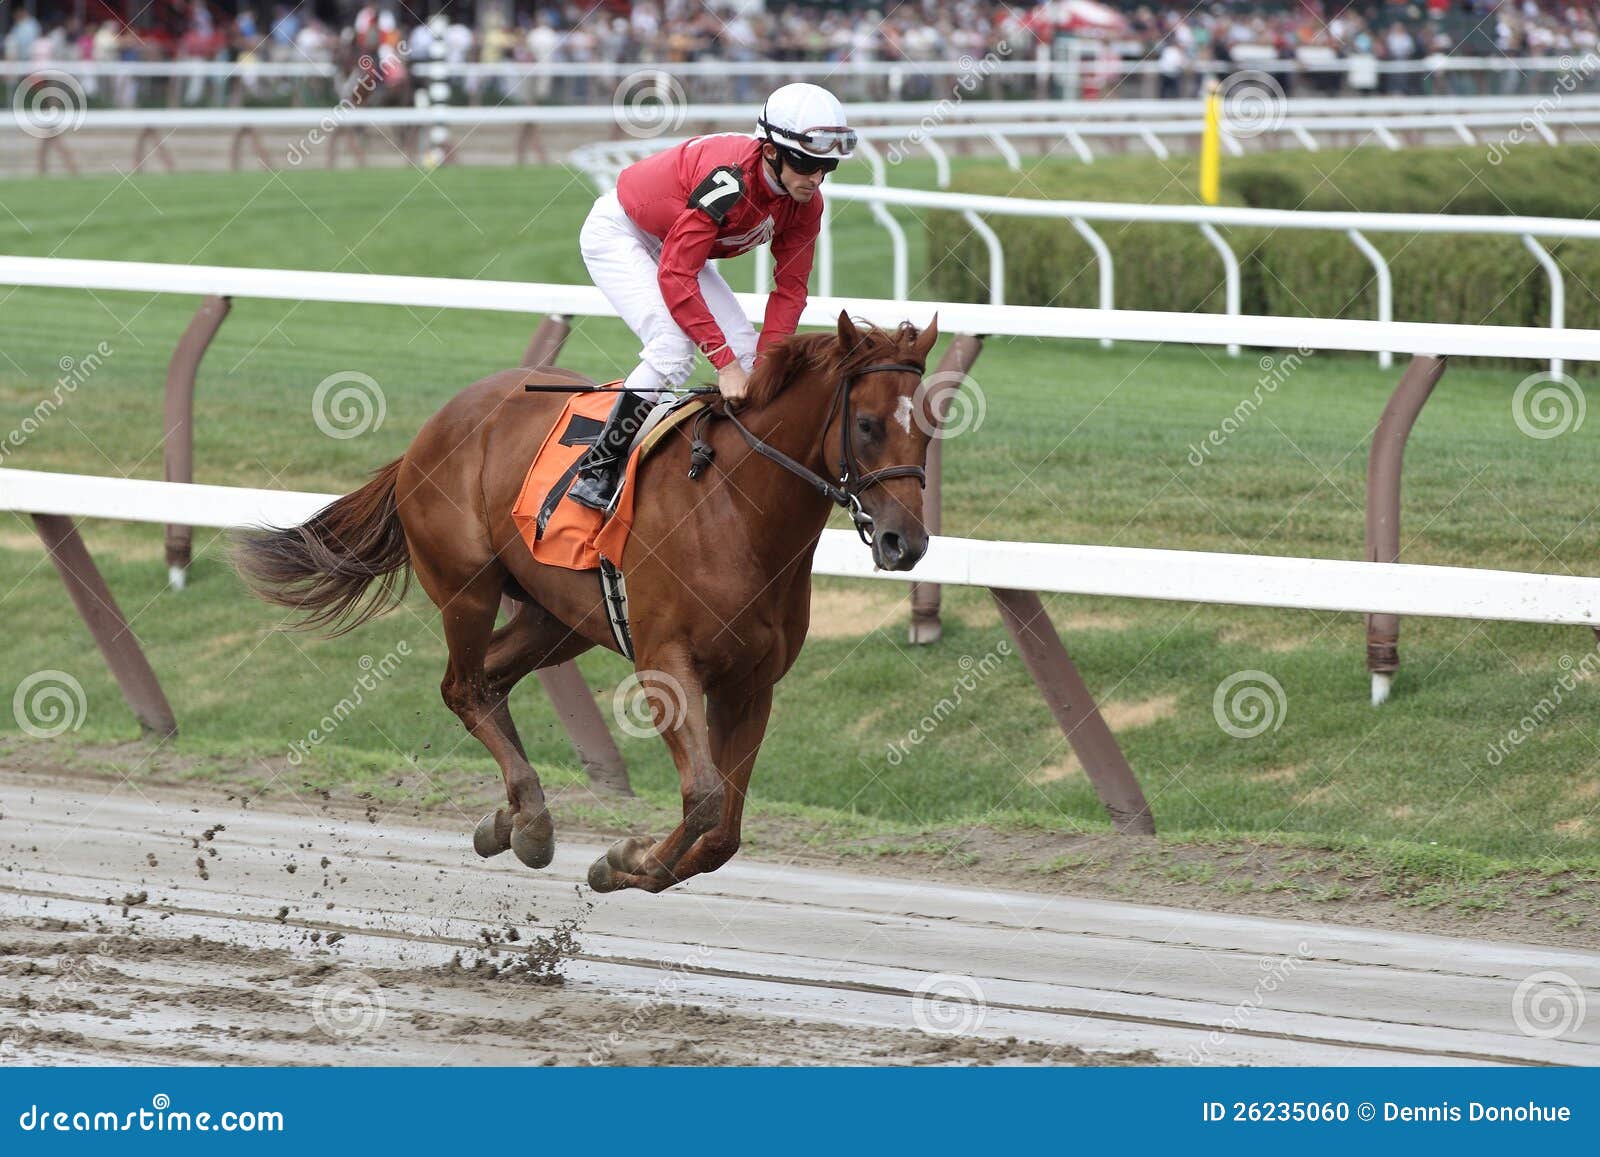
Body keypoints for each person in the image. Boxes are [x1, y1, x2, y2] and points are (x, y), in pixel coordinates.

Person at [568, 81, 854, 512]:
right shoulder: (729, 182)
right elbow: (677, 274)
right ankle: (598, 467)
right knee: (672, 348)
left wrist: (762, 363)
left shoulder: (806, 203)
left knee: (750, 357)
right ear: (771, 151)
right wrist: (721, 363)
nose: (815, 178)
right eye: (805, 163)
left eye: (826, 167)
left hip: (673, 242)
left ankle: (727, 472)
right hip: (621, 231)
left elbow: (790, 291)